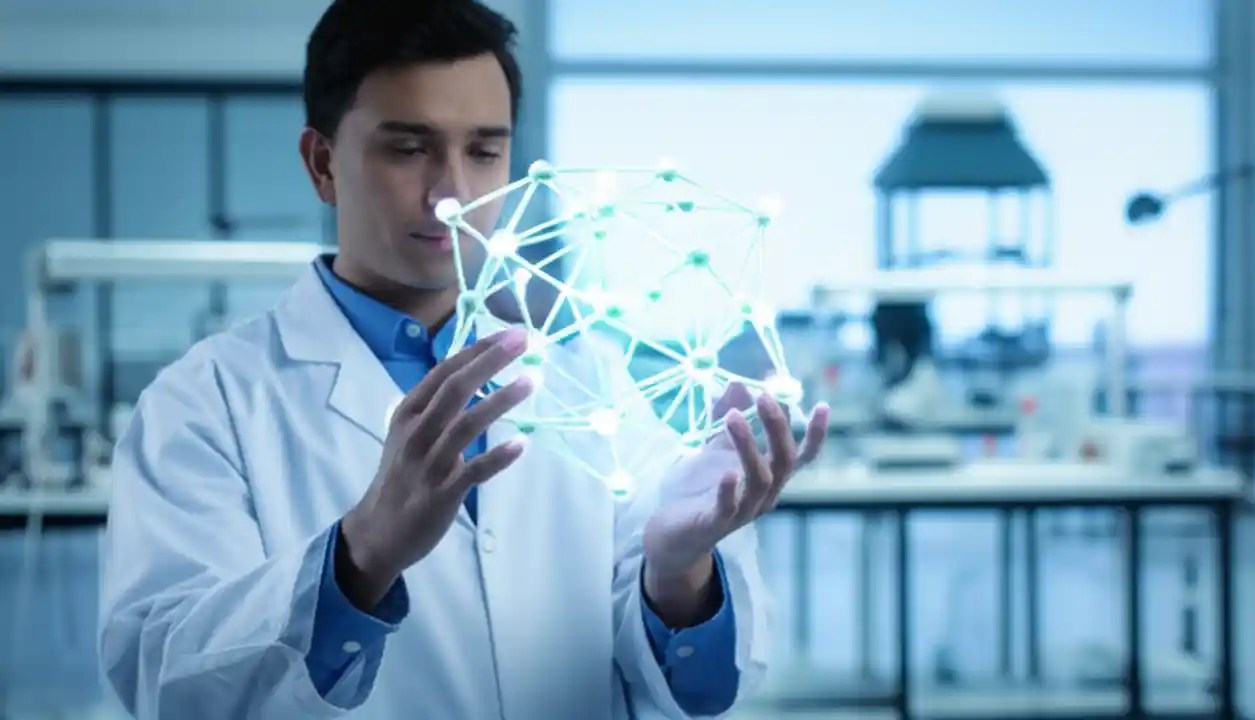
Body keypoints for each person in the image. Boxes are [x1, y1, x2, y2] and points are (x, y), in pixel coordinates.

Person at [97, 1, 829, 718]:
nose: (452, 193)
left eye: (484, 151)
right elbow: (167, 682)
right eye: (409, 148)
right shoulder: (206, 403)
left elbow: (702, 688)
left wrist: (680, 573)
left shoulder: (592, 382)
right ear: (322, 164)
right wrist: (359, 559)